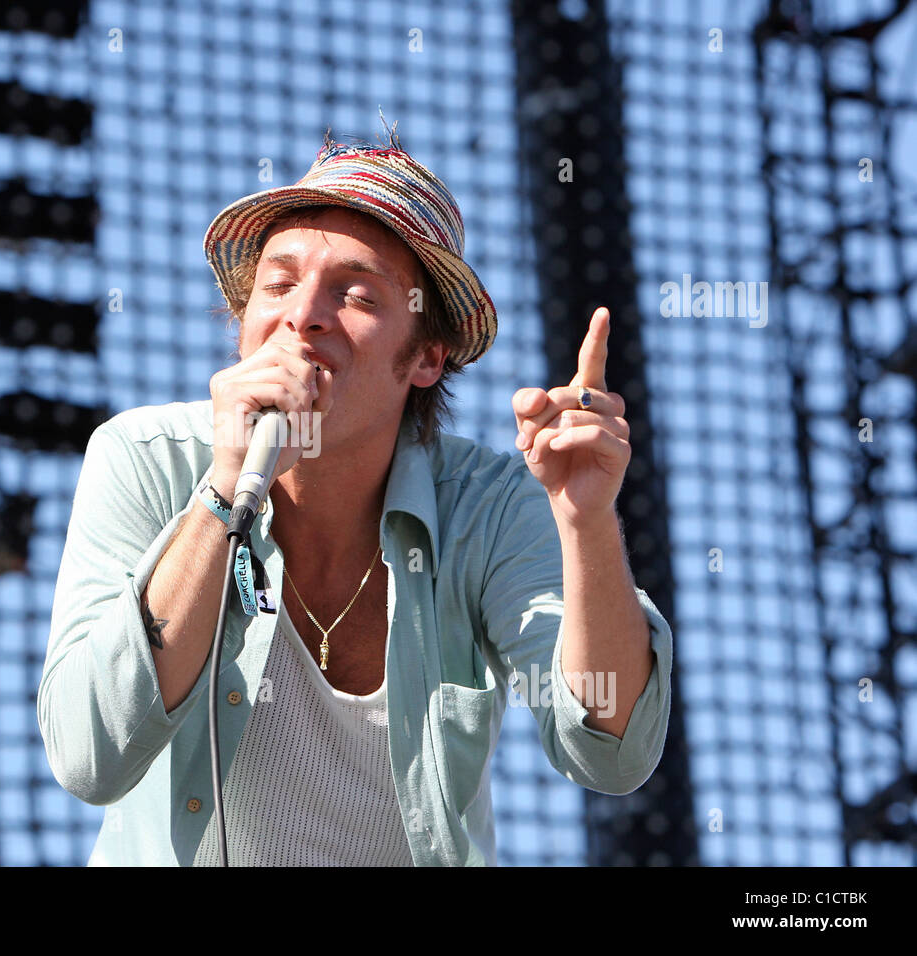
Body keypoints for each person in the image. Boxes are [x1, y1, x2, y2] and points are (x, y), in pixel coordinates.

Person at [38, 128, 673, 866]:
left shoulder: (490, 504)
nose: (303, 314)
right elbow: (89, 756)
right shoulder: (147, 459)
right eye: (277, 285)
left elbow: (612, 750)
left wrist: (587, 522)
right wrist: (221, 493)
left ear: (428, 356)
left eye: (357, 293)